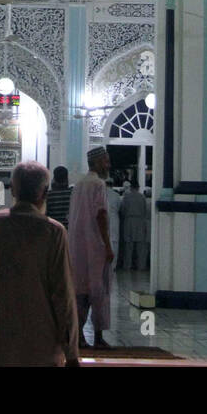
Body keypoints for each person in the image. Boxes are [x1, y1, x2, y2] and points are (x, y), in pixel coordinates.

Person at [0, 161, 79, 367]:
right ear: (44, 193)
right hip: (38, 349)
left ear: (13, 190)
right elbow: (63, 297)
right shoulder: (53, 232)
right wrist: (72, 353)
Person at [67, 146, 114, 347]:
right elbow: (101, 214)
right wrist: (107, 245)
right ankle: (98, 337)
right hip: (96, 246)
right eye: (105, 160)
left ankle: (78, 337)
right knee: (99, 291)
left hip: (77, 246)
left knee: (80, 291)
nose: (108, 164)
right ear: (96, 163)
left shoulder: (78, 185)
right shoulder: (98, 184)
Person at [120, 182, 149, 271]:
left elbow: (122, 210)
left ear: (131, 187)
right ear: (138, 187)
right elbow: (145, 210)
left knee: (128, 247)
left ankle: (127, 266)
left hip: (128, 221)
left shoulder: (126, 197)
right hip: (140, 222)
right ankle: (141, 266)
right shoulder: (142, 197)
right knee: (141, 247)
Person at [105, 180, 122, 269]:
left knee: (104, 240)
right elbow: (119, 207)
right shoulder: (116, 195)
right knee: (114, 242)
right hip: (114, 218)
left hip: (104, 217)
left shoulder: (101, 193)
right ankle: (113, 265)